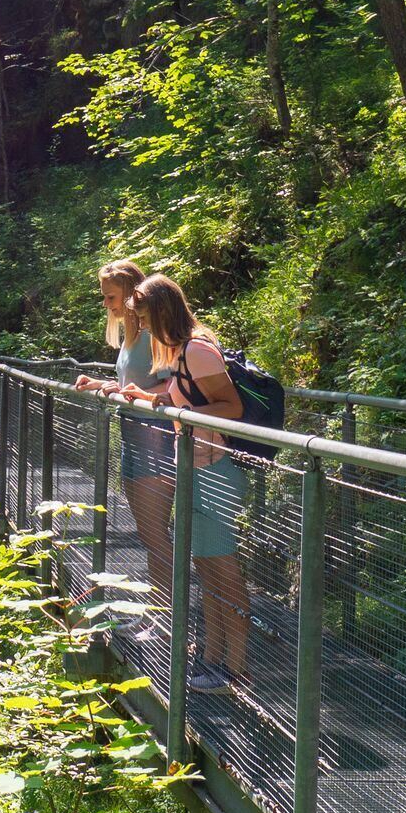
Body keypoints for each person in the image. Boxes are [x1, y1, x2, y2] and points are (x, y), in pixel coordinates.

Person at [117, 273, 252, 695]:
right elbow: (184, 398)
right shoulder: (179, 352)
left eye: (144, 314)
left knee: (223, 571)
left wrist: (189, 418)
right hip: (194, 468)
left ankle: (236, 669)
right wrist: (152, 398)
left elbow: (232, 406)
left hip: (214, 472)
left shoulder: (197, 350)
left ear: (161, 311)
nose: (142, 324)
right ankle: (212, 659)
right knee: (208, 570)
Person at [72, 261, 179, 622]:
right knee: (148, 533)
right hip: (135, 436)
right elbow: (137, 386)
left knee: (154, 533)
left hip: (157, 439)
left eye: (111, 297)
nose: (106, 304)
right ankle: (158, 615)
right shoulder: (133, 338)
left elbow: (176, 387)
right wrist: (105, 386)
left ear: (132, 293)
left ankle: (166, 620)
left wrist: (141, 396)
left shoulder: (153, 335)